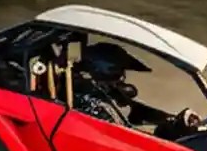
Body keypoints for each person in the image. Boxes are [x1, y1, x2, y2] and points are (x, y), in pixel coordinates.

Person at [72, 41, 200, 139]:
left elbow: (139, 111)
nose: (122, 77)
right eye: (118, 72)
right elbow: (124, 138)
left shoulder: (109, 93)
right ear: (101, 72)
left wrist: (171, 120)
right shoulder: (92, 103)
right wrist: (167, 131)